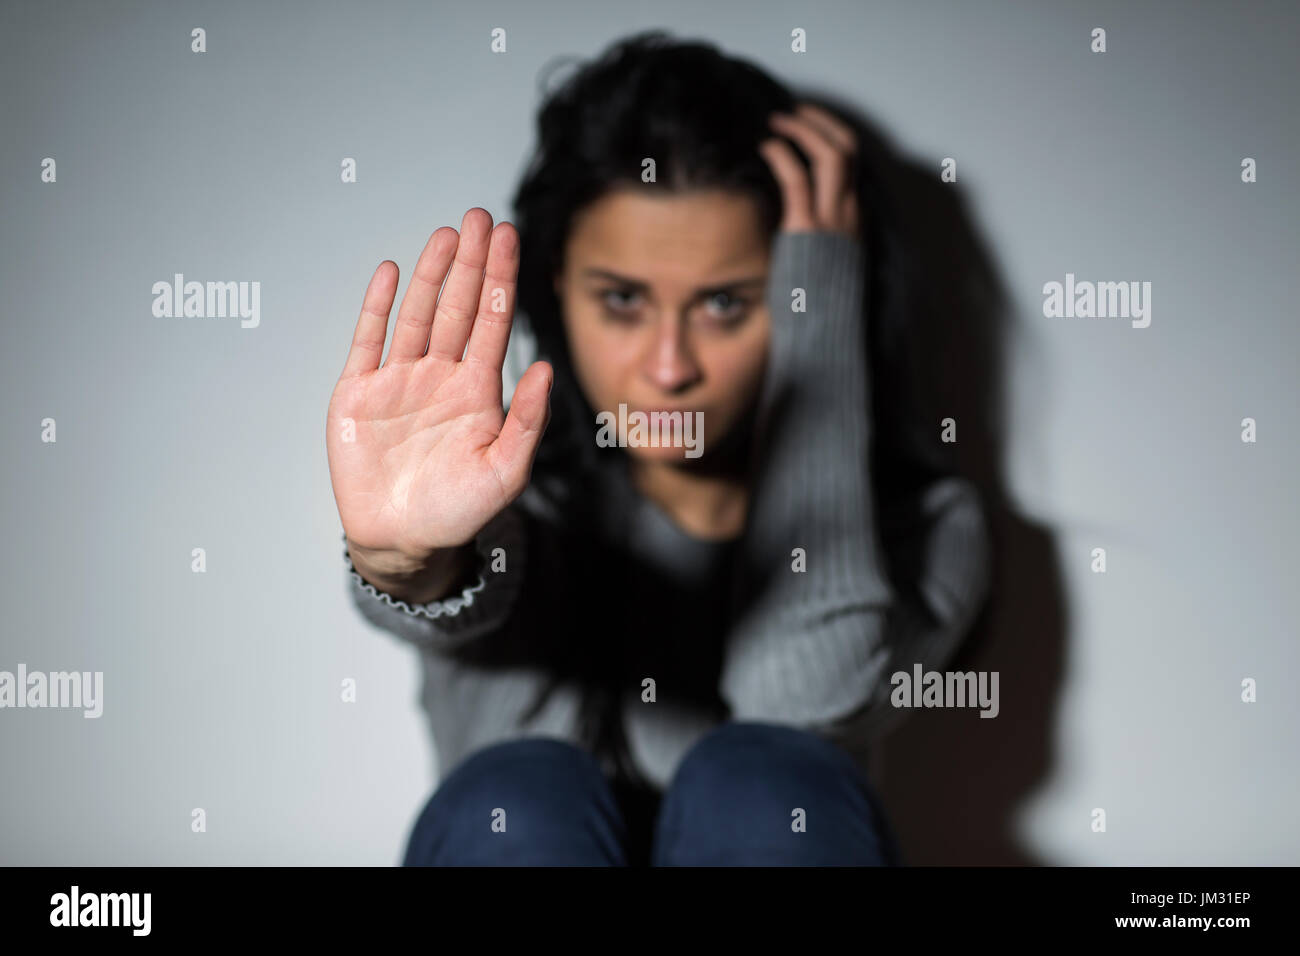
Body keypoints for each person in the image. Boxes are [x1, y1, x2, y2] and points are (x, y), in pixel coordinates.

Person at [325, 31, 992, 866]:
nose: (670, 368)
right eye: (623, 300)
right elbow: (455, 584)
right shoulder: (514, 509)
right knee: (517, 798)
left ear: (808, 299)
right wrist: (406, 559)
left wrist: (816, 352)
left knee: (767, 786)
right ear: (558, 291)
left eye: (724, 304)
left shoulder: (925, 531)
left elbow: (802, 698)